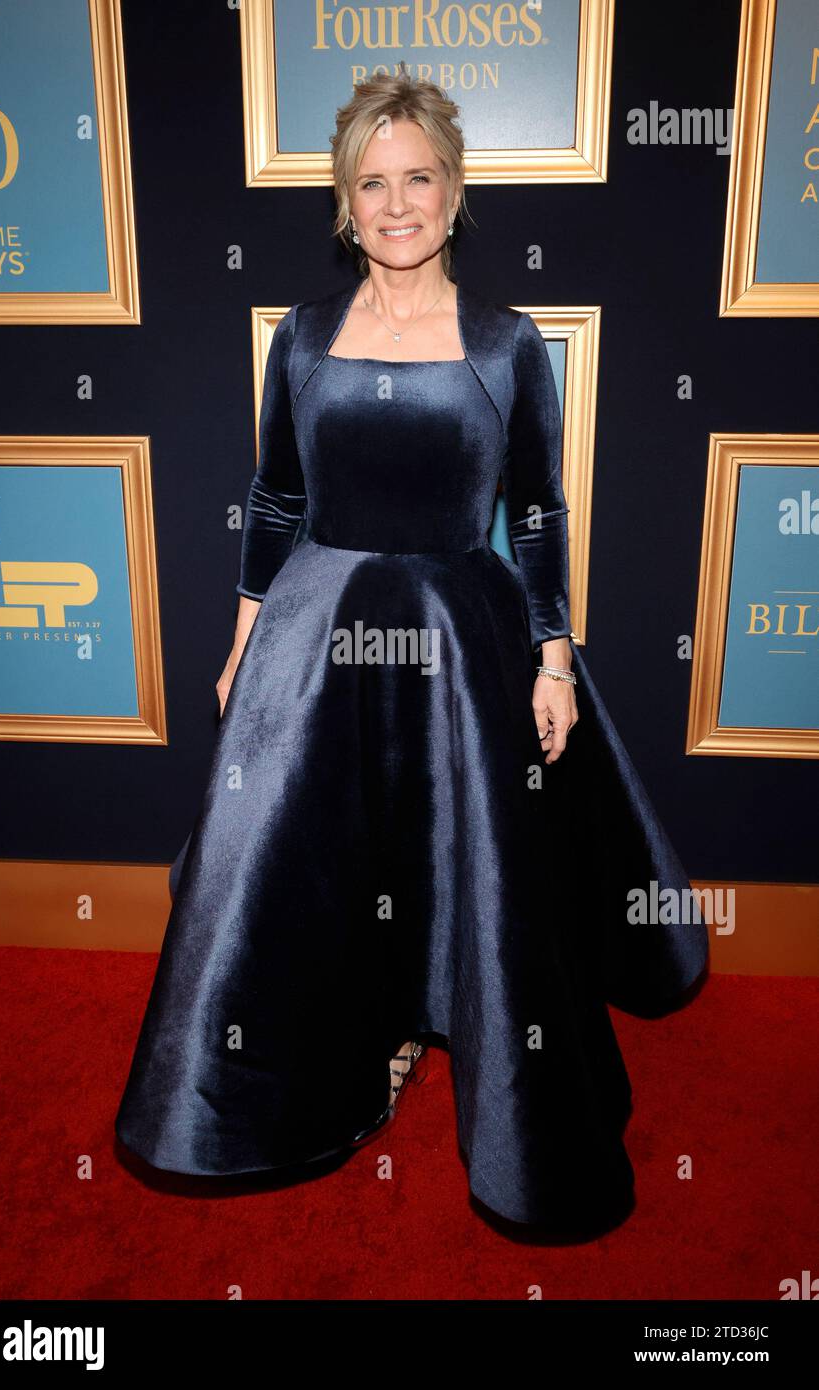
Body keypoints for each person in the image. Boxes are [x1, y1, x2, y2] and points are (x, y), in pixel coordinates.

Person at [115, 68, 708, 1232]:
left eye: (417, 179)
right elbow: (274, 500)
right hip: (312, 637)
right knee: (320, 862)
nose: (395, 204)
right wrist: (240, 647)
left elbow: (536, 511)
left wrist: (550, 660)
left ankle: (468, 1058)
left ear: (452, 190)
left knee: (462, 861)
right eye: (370, 184)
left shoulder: (504, 345)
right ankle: (350, 1056)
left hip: (460, 635)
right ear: (344, 203)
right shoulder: (300, 334)